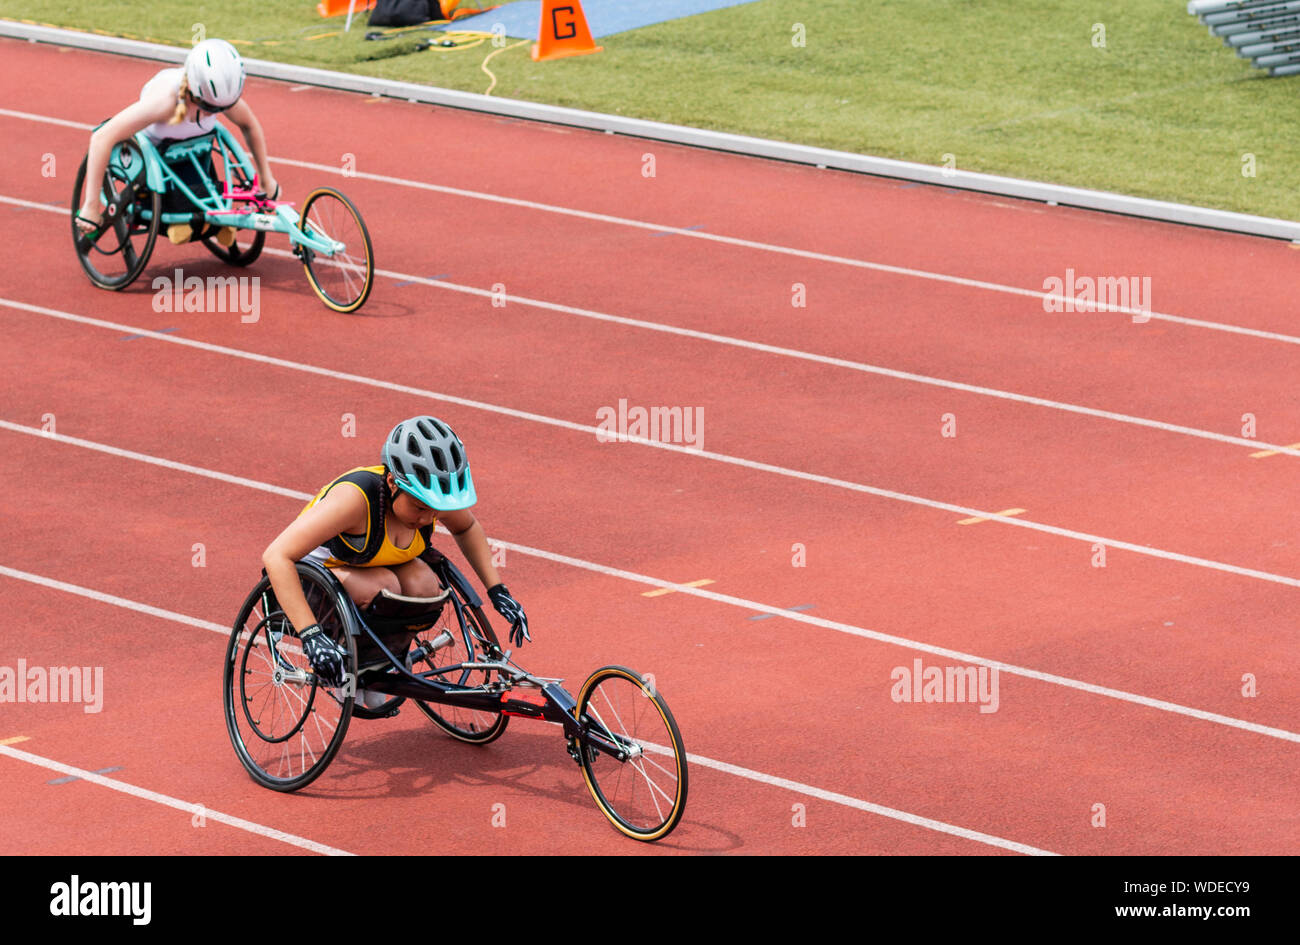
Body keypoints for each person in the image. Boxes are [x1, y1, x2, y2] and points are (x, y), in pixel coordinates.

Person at [261, 416, 529, 704]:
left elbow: (466, 527)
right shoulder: (354, 500)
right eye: (419, 507)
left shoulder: (428, 497)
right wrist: (311, 635)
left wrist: (498, 591)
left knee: (427, 586)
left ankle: (380, 661)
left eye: (435, 511)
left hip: (372, 565)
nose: (428, 518)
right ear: (392, 482)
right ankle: (352, 661)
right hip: (314, 579)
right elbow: (276, 556)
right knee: (384, 585)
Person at [75, 38, 279, 246]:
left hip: (194, 154)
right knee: (181, 208)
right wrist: (90, 206)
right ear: (193, 90)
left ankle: (214, 223)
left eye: (221, 108)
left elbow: (249, 125)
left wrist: (266, 177)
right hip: (154, 161)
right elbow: (101, 138)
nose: (215, 113)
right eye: (209, 106)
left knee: (209, 191)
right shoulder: (164, 103)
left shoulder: (220, 95)